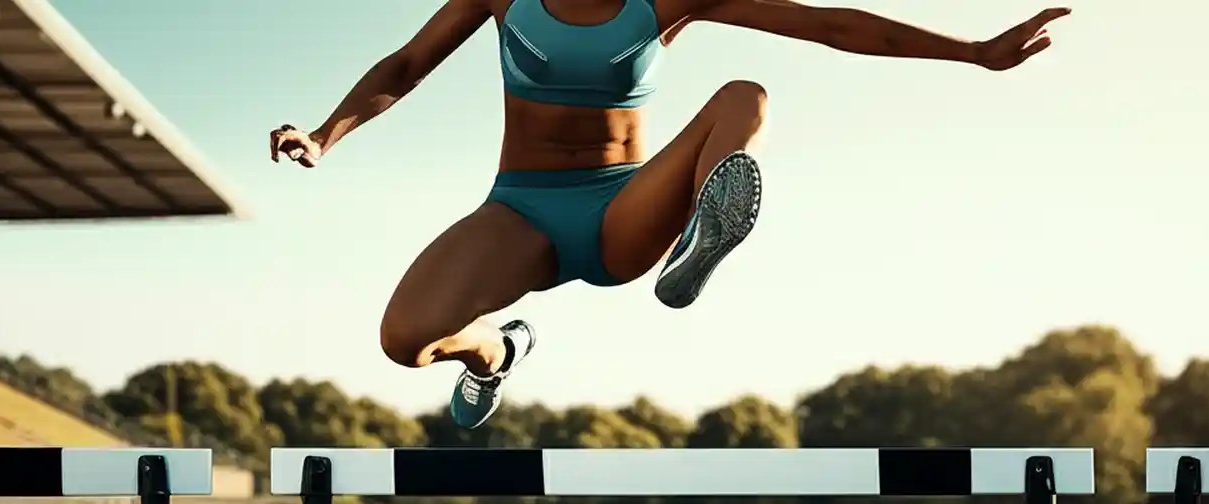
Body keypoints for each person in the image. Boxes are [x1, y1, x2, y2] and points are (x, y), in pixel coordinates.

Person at [271, 0, 1070, 429]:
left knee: (745, 96)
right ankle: (496, 353)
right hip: (522, 212)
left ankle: (703, 231)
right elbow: (407, 63)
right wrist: (324, 136)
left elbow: (828, 25)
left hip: (624, 211)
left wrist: (972, 52)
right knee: (405, 338)